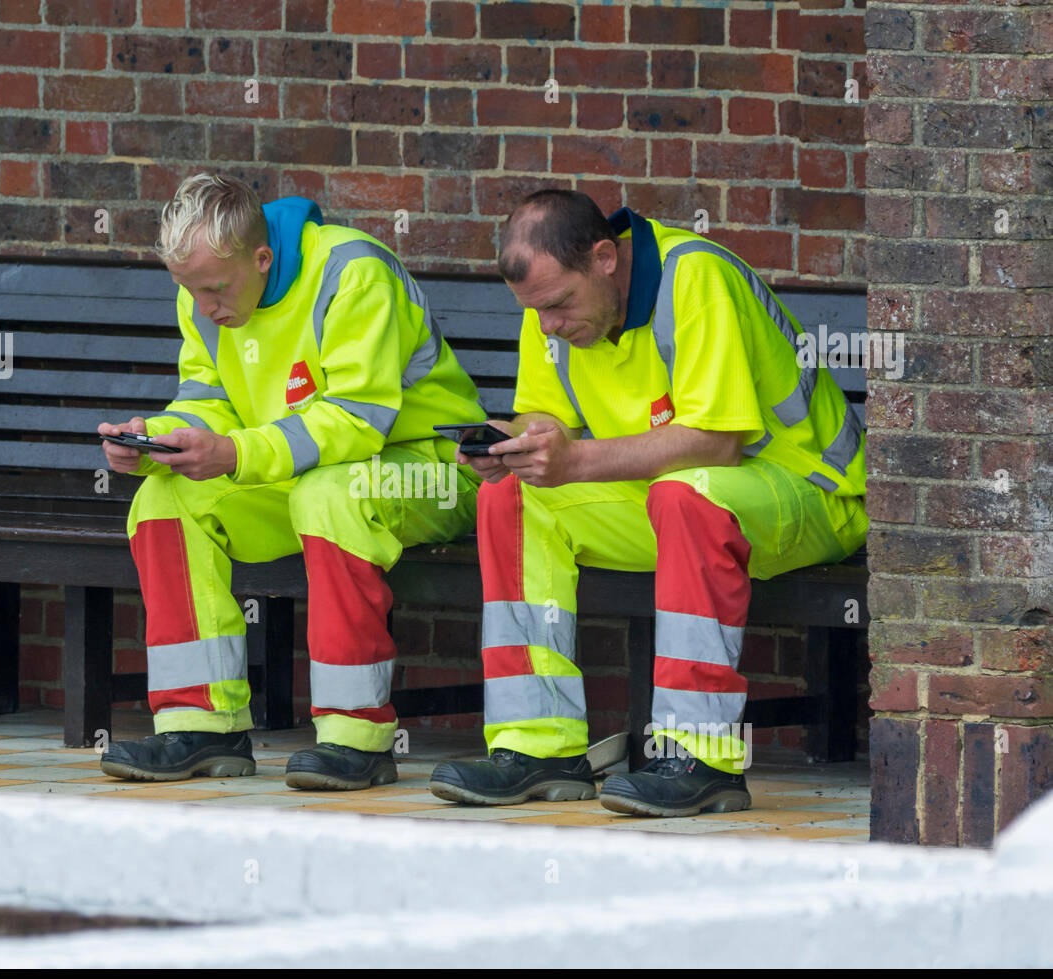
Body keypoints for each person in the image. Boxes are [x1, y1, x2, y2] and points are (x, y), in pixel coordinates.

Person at [428, 190, 868, 816]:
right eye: (534, 311)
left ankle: (702, 757)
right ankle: (537, 749)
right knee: (512, 497)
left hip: (810, 492)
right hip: (672, 496)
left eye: (557, 305)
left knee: (687, 496)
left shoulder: (696, 276)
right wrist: (513, 447)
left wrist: (573, 460)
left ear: (605, 258)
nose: (547, 324)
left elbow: (716, 444)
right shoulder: (549, 300)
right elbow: (545, 415)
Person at [99, 173, 484, 790]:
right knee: (163, 499)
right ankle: (202, 727)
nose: (205, 308)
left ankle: (356, 740)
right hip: (298, 470)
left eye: (216, 290)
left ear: (262, 257)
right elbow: (207, 399)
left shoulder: (352, 272)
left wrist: (235, 451)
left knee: (330, 496)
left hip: (436, 471)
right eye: (191, 291)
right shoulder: (205, 289)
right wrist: (160, 441)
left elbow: (358, 422)